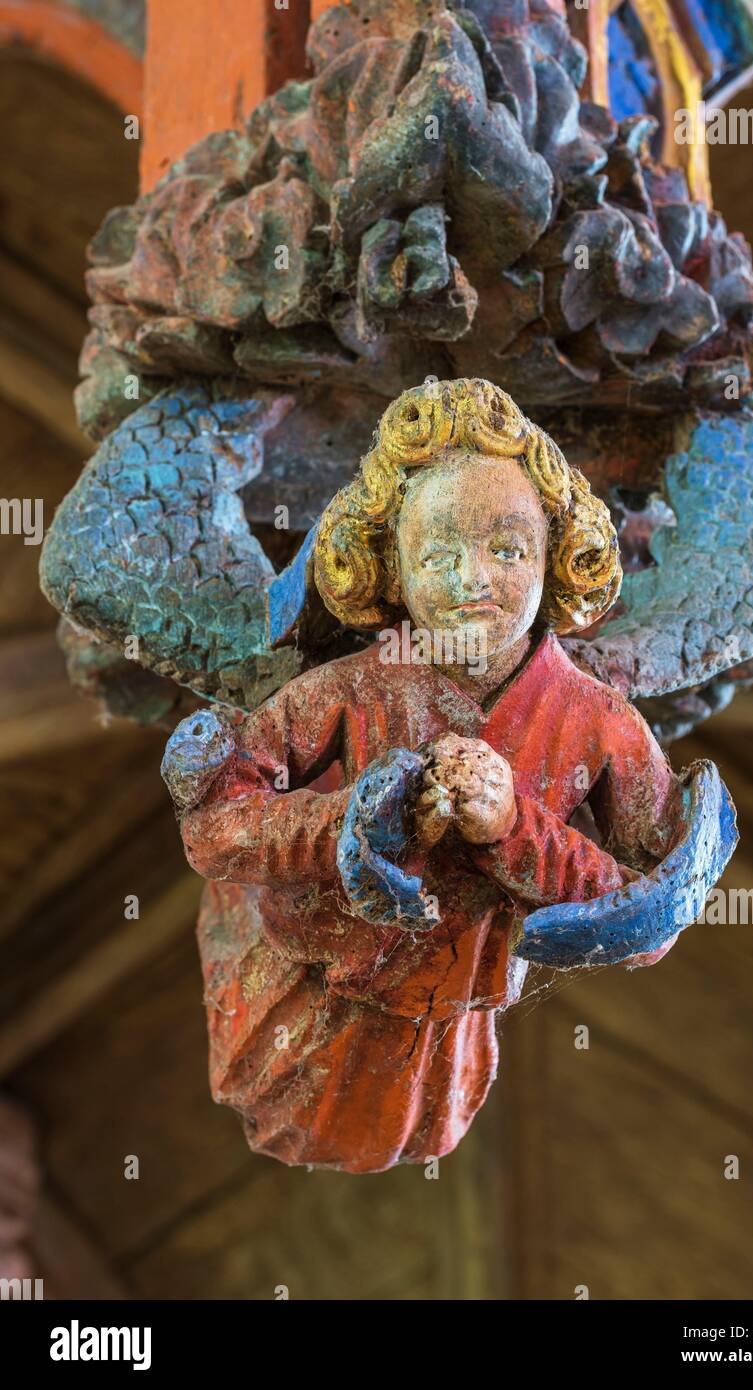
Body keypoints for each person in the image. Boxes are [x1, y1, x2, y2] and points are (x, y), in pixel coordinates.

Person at [171, 378, 687, 1173]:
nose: (471, 579)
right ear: (390, 569)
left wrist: (514, 829)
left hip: (445, 1029)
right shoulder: (354, 690)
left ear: (557, 555)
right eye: (437, 555)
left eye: (507, 550)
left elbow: (653, 912)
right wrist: (362, 819)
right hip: (302, 995)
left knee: (415, 1137)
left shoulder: (599, 724)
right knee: (293, 1117)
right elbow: (214, 823)